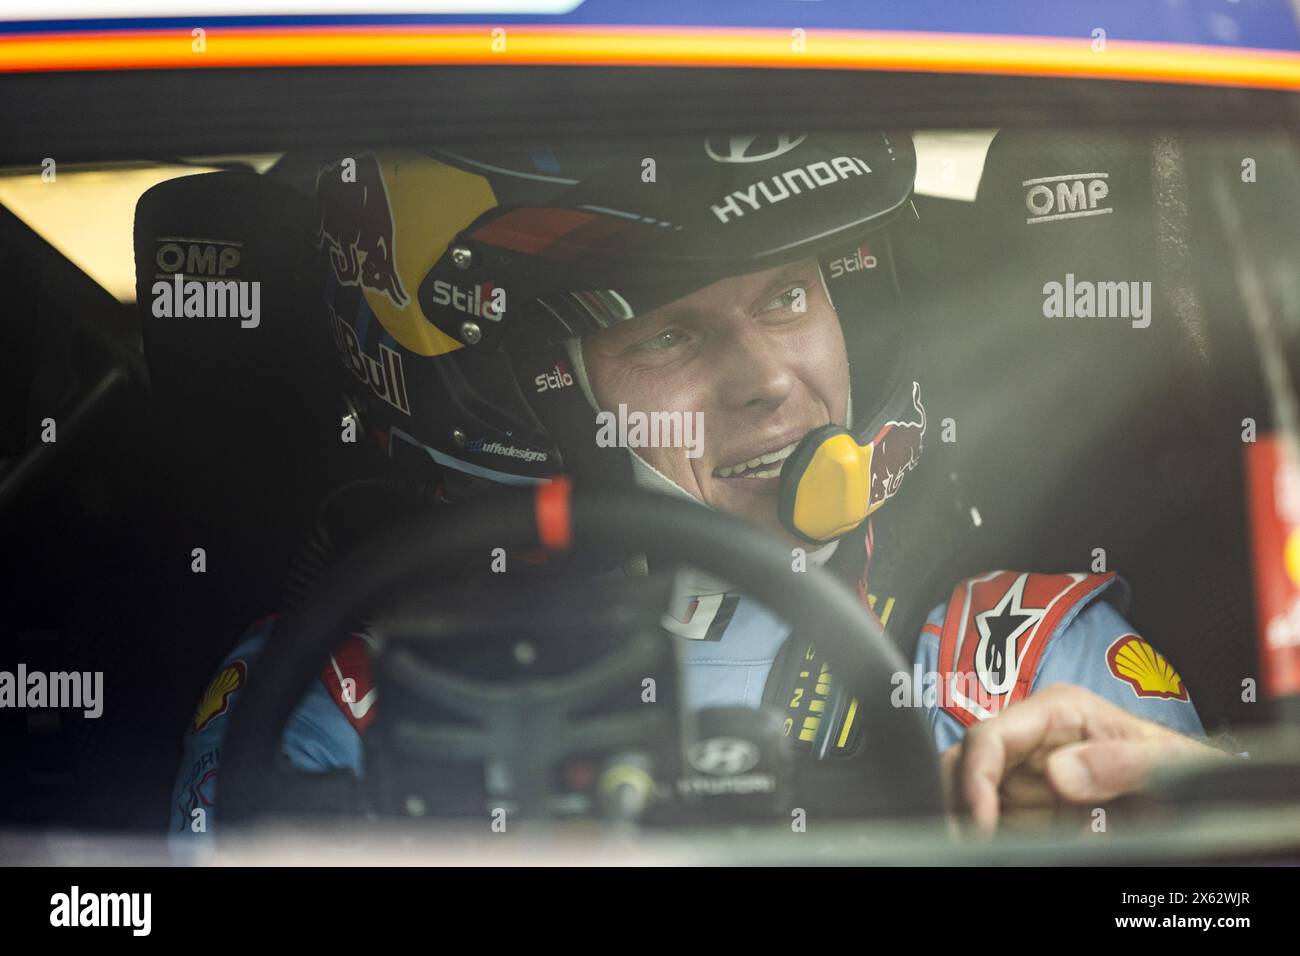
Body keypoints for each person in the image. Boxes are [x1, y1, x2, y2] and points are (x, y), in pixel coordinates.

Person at [171, 132, 1219, 850]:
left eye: (787, 295)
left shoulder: (1018, 664)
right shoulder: (341, 700)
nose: (764, 377)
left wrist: (1160, 827)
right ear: (512, 399)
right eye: (665, 330)